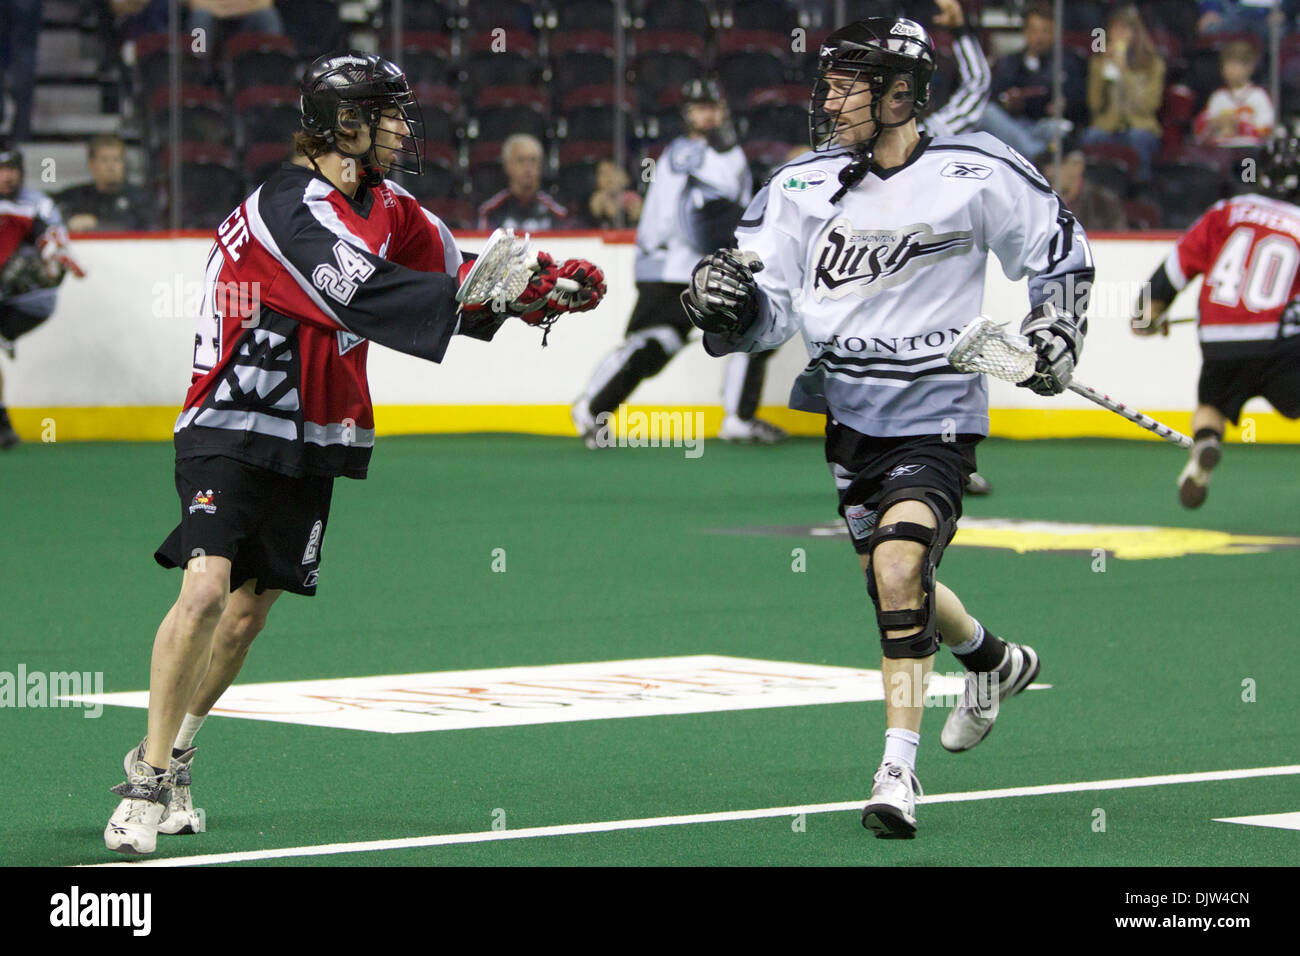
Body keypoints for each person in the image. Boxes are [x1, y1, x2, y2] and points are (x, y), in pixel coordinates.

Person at [102, 51, 606, 855]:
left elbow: (461, 271)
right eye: (388, 113)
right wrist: (502, 294)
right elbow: (362, 291)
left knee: (246, 617)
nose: (403, 128)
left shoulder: (391, 206)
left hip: (314, 429)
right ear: (344, 123)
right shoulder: (286, 208)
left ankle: (181, 753)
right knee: (204, 590)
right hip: (231, 419)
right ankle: (145, 779)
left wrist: (537, 286)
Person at [682, 17, 1093, 838]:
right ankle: (992, 661)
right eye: (828, 85)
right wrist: (730, 309)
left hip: (938, 413)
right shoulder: (799, 186)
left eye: (848, 87)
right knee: (893, 579)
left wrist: (1057, 329)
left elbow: (1060, 248)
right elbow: (769, 312)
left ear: (901, 93)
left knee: (901, 565)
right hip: (850, 414)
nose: (829, 102)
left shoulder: (975, 170)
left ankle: (896, 774)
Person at [573, 79, 787, 445]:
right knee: (657, 343)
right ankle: (592, 408)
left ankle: (739, 418)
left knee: (756, 328)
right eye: (700, 108)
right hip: (672, 266)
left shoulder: (728, 154)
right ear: (687, 114)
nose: (708, 115)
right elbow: (698, 213)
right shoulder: (685, 153)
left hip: (705, 264)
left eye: (712, 107)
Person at [1131, 134, 1300, 509]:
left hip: (1219, 340)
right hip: (1277, 341)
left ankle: (1205, 444)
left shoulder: (1226, 211)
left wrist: (1148, 313)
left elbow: (1174, 270)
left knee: (1212, 403)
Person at [0, 140, 86, 449]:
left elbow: (54, 243)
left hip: (23, 301)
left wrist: (54, 257)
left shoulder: (36, 204)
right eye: (1, 169)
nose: (7, 175)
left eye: (12, 168)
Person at [978, 1, 1086, 161]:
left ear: (1055, 34)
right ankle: (1037, 157)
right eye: (1034, 30)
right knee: (988, 113)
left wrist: (1065, 105)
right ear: (1025, 32)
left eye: (1045, 31)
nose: (1039, 37)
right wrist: (1007, 103)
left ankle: (1029, 154)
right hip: (1015, 125)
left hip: (1046, 125)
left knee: (1063, 128)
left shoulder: (1068, 62)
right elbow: (994, 97)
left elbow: (1080, 102)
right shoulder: (1008, 63)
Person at [1083, 4, 1165, 181]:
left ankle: (1141, 187)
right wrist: (1102, 71)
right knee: (1092, 136)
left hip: (1140, 126)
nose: (1120, 34)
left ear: (1136, 34)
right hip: (1108, 126)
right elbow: (1094, 105)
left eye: (1126, 29)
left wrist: (1125, 72)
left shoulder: (1153, 64)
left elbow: (1148, 106)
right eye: (1116, 29)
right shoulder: (1098, 63)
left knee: (1137, 138)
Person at [55, 134, 154, 232]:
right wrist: (68, 223)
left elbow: (147, 230)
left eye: (116, 159)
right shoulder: (75, 197)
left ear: (124, 164)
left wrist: (97, 225)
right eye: (104, 160)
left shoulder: (140, 198)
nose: (111, 166)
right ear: (92, 165)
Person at [477, 134, 572, 232]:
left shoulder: (557, 213)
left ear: (541, 165)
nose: (528, 167)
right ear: (507, 165)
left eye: (533, 160)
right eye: (521, 160)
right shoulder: (491, 212)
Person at [1194, 40, 1273, 149]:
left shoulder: (1258, 96)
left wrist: (1240, 124)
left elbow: (1265, 130)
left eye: (1235, 66)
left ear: (1249, 68)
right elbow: (1201, 133)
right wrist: (1215, 123)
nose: (1231, 71)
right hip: (1222, 152)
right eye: (1227, 66)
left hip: (1250, 152)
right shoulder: (1218, 97)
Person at [1046, 149, 1127, 232]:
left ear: (1077, 166)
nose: (1049, 172)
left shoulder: (1104, 203)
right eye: (1047, 166)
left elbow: (1117, 237)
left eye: (1058, 165)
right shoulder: (1044, 202)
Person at [588, 158, 643, 228]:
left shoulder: (631, 197)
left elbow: (637, 214)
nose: (608, 176)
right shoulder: (598, 197)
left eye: (614, 171)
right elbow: (595, 211)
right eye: (603, 173)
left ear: (626, 177)